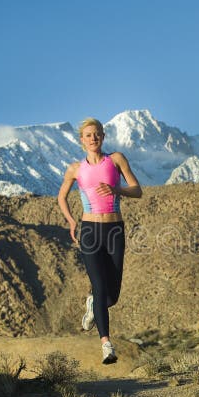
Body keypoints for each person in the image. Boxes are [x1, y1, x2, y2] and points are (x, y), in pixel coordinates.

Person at [57, 117, 142, 364]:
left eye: (97, 134)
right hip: (90, 231)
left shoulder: (116, 160)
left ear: (103, 136)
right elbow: (61, 197)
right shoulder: (75, 169)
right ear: (81, 140)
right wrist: (72, 222)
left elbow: (137, 190)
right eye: (88, 135)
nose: (93, 138)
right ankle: (106, 344)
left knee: (112, 296)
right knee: (99, 285)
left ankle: (94, 303)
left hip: (114, 230)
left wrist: (117, 190)